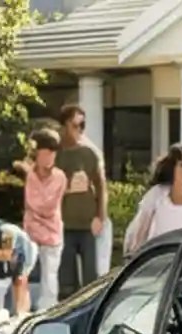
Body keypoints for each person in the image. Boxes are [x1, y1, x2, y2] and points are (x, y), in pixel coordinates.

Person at [123, 144, 182, 309]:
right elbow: (141, 228)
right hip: (161, 262)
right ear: (173, 167)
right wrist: (133, 255)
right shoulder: (157, 195)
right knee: (159, 312)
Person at [54, 104, 108, 298]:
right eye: (75, 125)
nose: (79, 129)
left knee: (91, 279)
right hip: (64, 225)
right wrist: (68, 187)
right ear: (64, 125)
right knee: (66, 280)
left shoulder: (89, 153)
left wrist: (100, 217)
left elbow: (101, 186)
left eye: (82, 125)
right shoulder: (55, 154)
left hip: (88, 225)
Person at [21, 128, 67, 311]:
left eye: (53, 153)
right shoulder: (30, 175)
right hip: (31, 231)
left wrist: (39, 208)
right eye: (46, 153)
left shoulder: (60, 177)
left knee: (50, 276)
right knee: (24, 272)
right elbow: (32, 202)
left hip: (52, 233)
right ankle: (21, 309)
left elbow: (48, 207)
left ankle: (47, 311)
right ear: (37, 153)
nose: (50, 158)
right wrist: (39, 207)